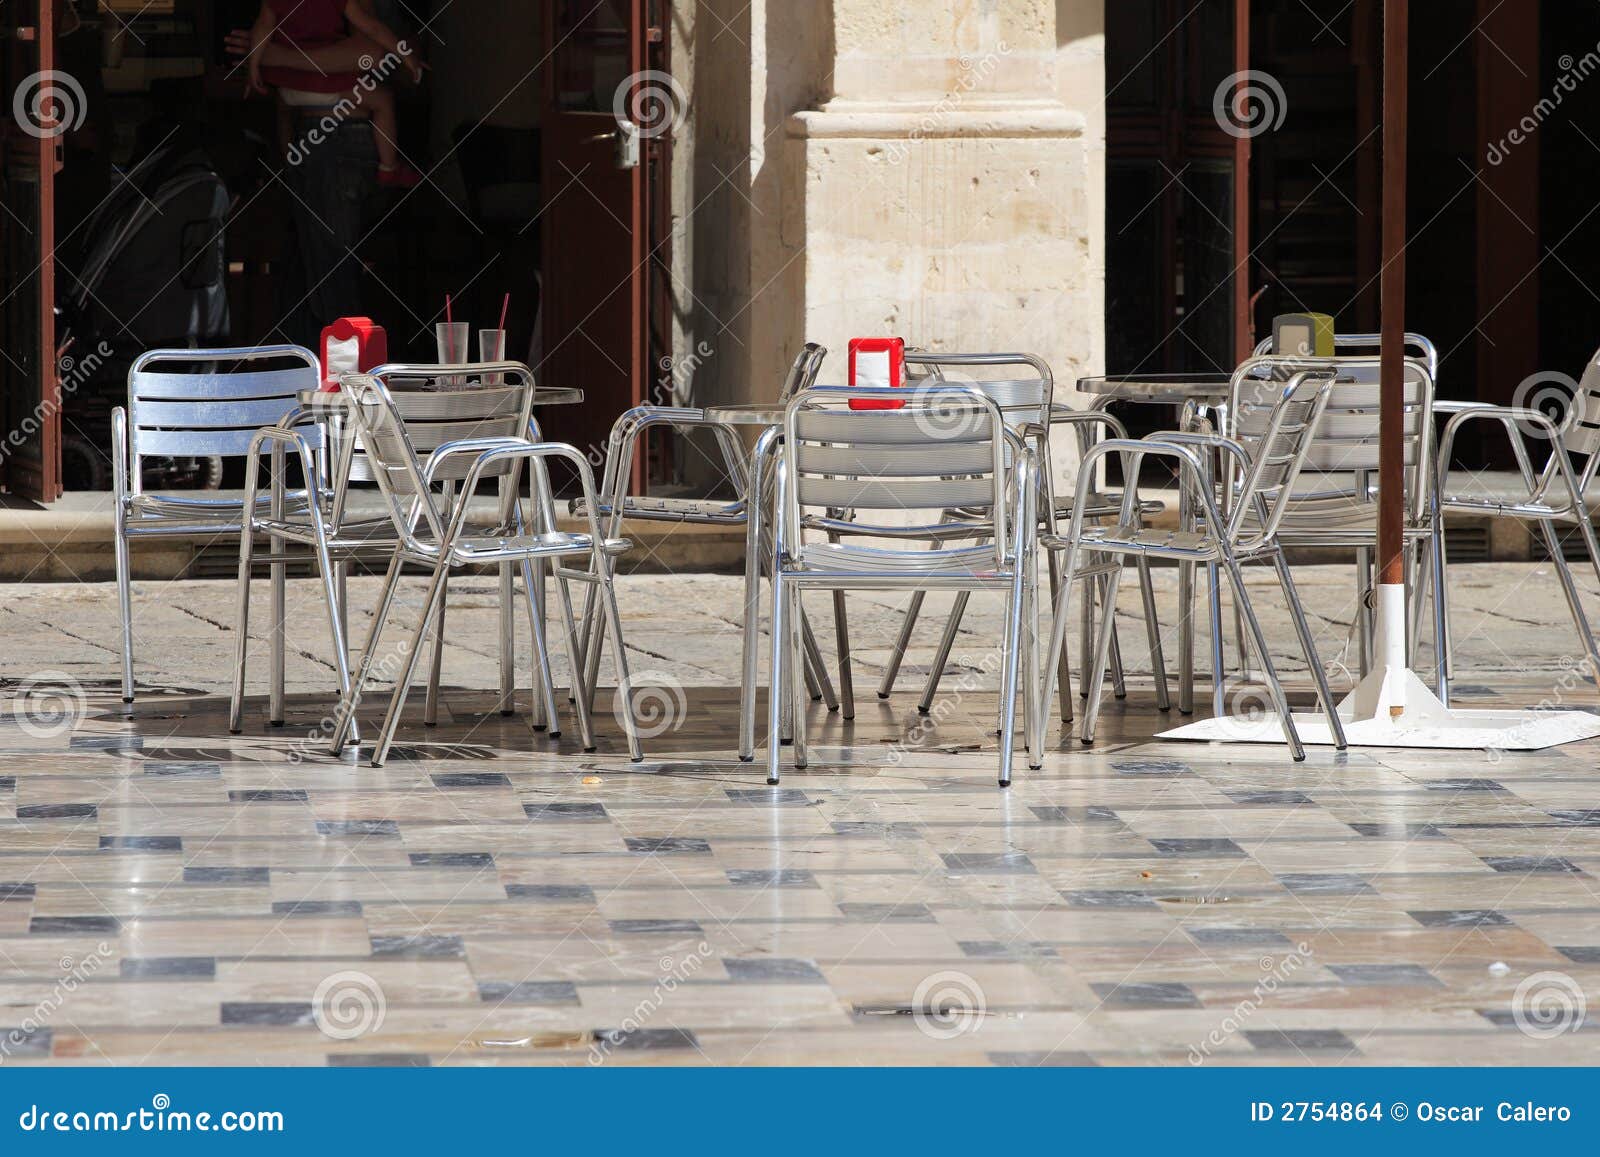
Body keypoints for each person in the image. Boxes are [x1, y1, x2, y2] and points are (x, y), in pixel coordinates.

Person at [245, 0, 423, 187]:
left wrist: (253, 67)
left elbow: (263, 26)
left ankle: (289, 166)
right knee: (382, 99)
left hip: (288, 88)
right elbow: (373, 28)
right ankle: (389, 167)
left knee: (284, 110)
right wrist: (406, 55)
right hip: (323, 84)